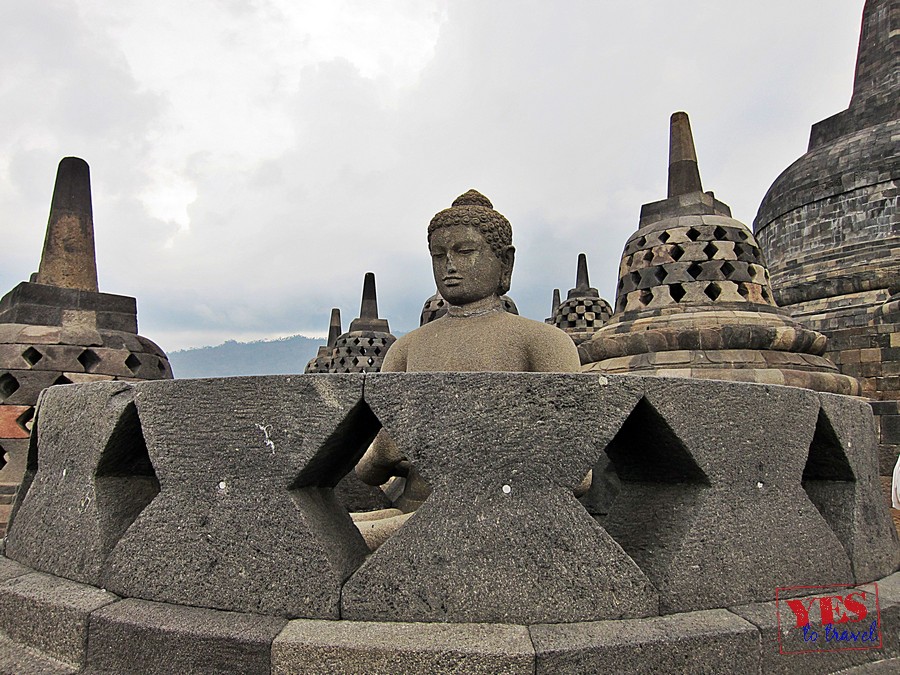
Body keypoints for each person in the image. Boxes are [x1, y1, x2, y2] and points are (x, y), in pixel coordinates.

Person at [355, 190, 582, 526]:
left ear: (505, 262)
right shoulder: (406, 349)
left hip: (498, 516)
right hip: (412, 512)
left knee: (352, 540)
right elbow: (369, 473)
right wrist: (383, 453)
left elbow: (579, 475)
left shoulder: (542, 343)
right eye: (438, 255)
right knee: (333, 532)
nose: (449, 266)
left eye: (464, 252)